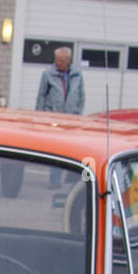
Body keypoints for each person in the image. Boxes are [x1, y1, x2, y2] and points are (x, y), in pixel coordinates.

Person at [34, 47, 83, 186]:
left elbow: (81, 96)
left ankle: (70, 179)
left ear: (68, 61)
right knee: (57, 150)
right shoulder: (48, 74)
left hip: (71, 119)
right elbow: (41, 96)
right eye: (57, 60)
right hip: (53, 119)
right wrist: (40, 116)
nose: (58, 63)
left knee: (70, 150)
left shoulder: (77, 75)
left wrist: (78, 114)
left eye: (61, 61)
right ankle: (55, 180)